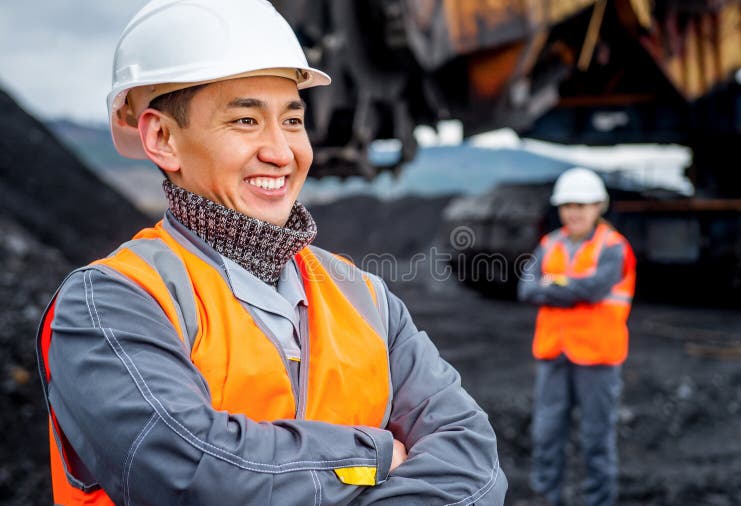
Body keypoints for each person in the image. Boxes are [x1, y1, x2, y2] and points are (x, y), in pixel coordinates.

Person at [35, 1, 507, 504]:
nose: (282, 152)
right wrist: (372, 457)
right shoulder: (110, 303)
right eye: (245, 120)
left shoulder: (365, 296)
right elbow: (196, 476)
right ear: (163, 138)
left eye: (293, 120)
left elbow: (474, 466)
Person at [517, 167, 636, 506]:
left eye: (581, 205)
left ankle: (598, 501)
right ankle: (546, 498)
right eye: (568, 205)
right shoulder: (549, 243)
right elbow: (526, 289)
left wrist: (553, 284)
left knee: (596, 440)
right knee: (546, 434)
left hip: (597, 357)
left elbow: (594, 289)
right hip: (554, 354)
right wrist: (570, 288)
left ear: (598, 206)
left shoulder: (614, 248)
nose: (574, 212)